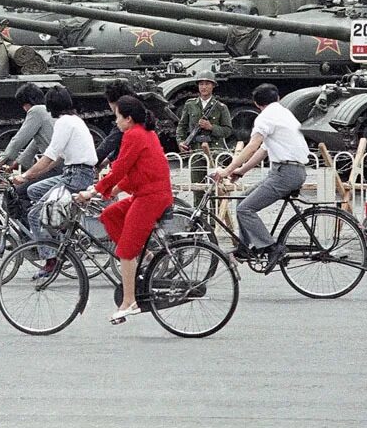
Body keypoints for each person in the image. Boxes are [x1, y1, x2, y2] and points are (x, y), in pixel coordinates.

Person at [76, 96, 173, 324]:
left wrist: (94, 191)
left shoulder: (134, 135)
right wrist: (111, 189)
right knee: (110, 215)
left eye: (118, 117)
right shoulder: (144, 133)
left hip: (151, 197)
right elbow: (137, 171)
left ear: (128, 119)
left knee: (126, 250)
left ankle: (129, 301)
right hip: (150, 192)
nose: (116, 121)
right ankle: (144, 256)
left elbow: (120, 168)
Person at [212, 83, 309, 274]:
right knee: (243, 199)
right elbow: (264, 150)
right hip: (289, 171)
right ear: (278, 98)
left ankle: (272, 248)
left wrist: (227, 170)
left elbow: (252, 146)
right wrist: (241, 171)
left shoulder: (265, 118)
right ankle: (245, 248)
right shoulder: (284, 113)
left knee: (245, 208)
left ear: (256, 103)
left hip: (285, 173)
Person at [13, 87, 97, 278]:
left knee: (34, 214)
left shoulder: (63, 123)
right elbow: (56, 156)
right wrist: (34, 175)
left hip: (75, 176)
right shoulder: (75, 120)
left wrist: (24, 176)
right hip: (76, 172)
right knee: (34, 191)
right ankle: (59, 235)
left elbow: (50, 156)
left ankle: (51, 258)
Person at [0, 83, 56, 221]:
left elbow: (19, 139)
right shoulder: (48, 111)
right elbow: (35, 144)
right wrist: (16, 164)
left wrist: (0, 163)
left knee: (18, 194)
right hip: (57, 165)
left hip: (55, 167)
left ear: (27, 102)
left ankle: (30, 236)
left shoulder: (37, 111)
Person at [175, 70, 233, 207]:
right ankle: (199, 220)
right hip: (196, 151)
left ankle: (213, 222)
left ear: (213, 86)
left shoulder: (220, 107)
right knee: (197, 188)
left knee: (215, 188)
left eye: (207, 84)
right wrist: (181, 141)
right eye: (201, 84)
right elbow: (181, 126)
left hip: (214, 151)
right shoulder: (190, 105)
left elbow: (228, 130)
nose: (203, 87)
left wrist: (211, 127)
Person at [94, 80, 137, 168]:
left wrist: (88, 163)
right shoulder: (137, 111)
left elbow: (108, 145)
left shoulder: (126, 119)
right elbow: (121, 143)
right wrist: (107, 161)